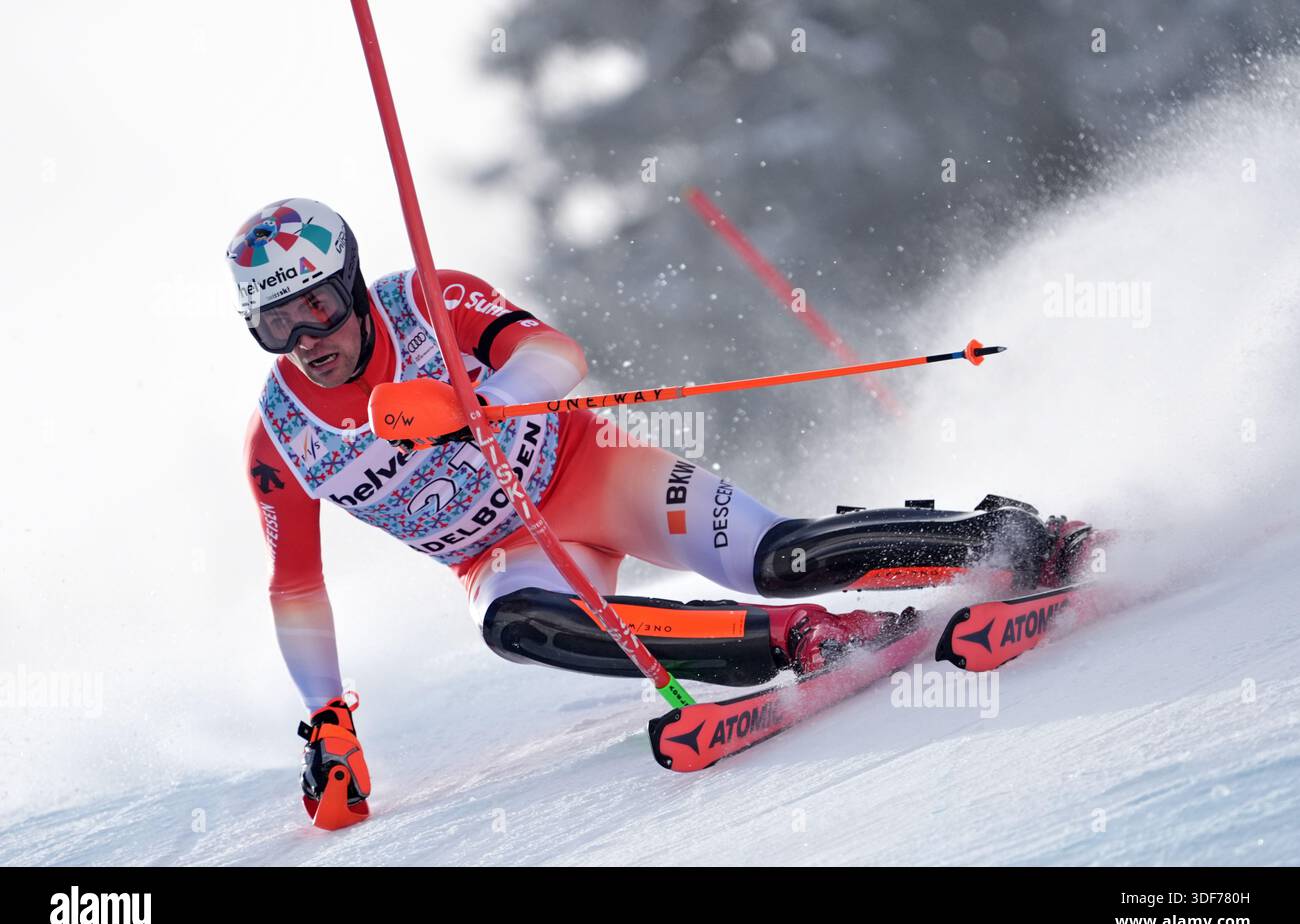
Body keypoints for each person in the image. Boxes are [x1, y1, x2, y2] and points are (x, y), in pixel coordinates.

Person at [231, 198, 1097, 820]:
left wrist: (480, 401)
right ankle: (804, 638)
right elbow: (296, 587)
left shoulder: (425, 299)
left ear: (349, 285)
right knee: (512, 625)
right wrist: (327, 722)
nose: (311, 340)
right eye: (279, 326)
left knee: (775, 557)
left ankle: (1017, 537)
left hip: (591, 467)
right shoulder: (282, 436)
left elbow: (555, 352)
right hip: (503, 553)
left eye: (319, 305)